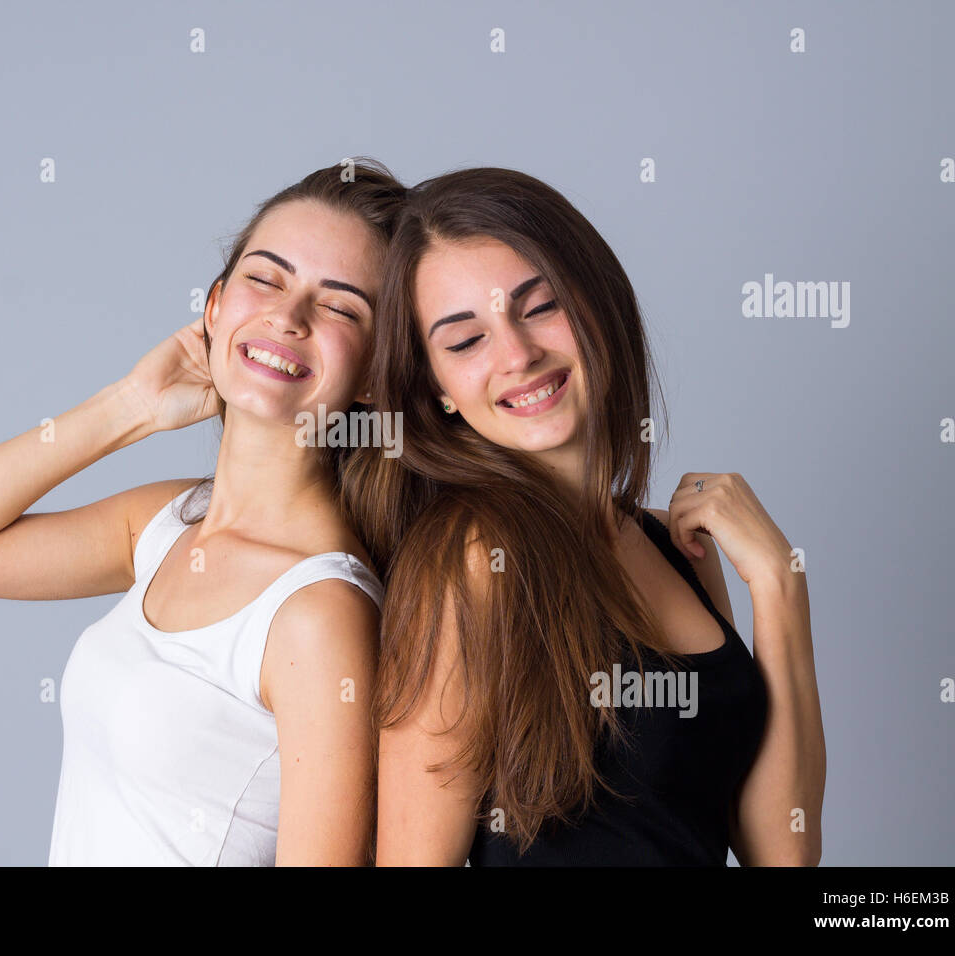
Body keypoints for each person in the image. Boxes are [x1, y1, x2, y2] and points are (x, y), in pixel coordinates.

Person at [0, 159, 407, 865]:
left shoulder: (320, 613)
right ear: (214, 308)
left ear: (374, 372)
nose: (288, 315)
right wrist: (131, 406)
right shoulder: (168, 524)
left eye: (339, 306)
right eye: (265, 277)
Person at [344, 167, 826, 865]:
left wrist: (781, 587)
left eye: (539, 306)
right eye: (465, 340)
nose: (517, 354)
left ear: (595, 301)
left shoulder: (670, 545)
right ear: (436, 388)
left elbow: (783, 854)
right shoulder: (472, 560)